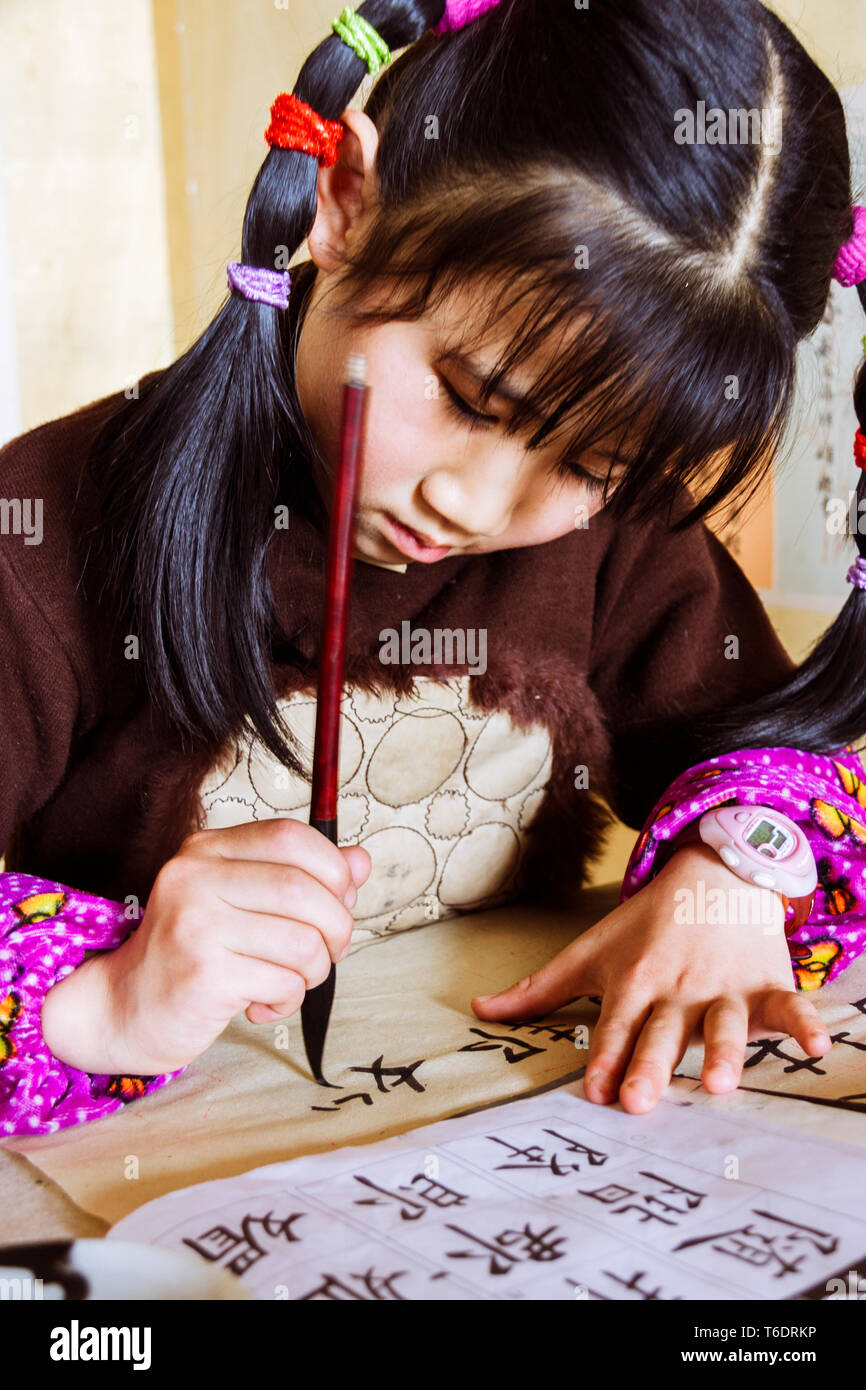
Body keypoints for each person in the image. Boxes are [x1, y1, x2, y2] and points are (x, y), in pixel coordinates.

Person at [0, 0, 859, 1137]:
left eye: (593, 465)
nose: (478, 503)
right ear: (347, 201)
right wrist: (101, 1001)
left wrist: (730, 877)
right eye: (470, 397)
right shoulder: (45, 532)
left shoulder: (612, 545)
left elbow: (773, 773)